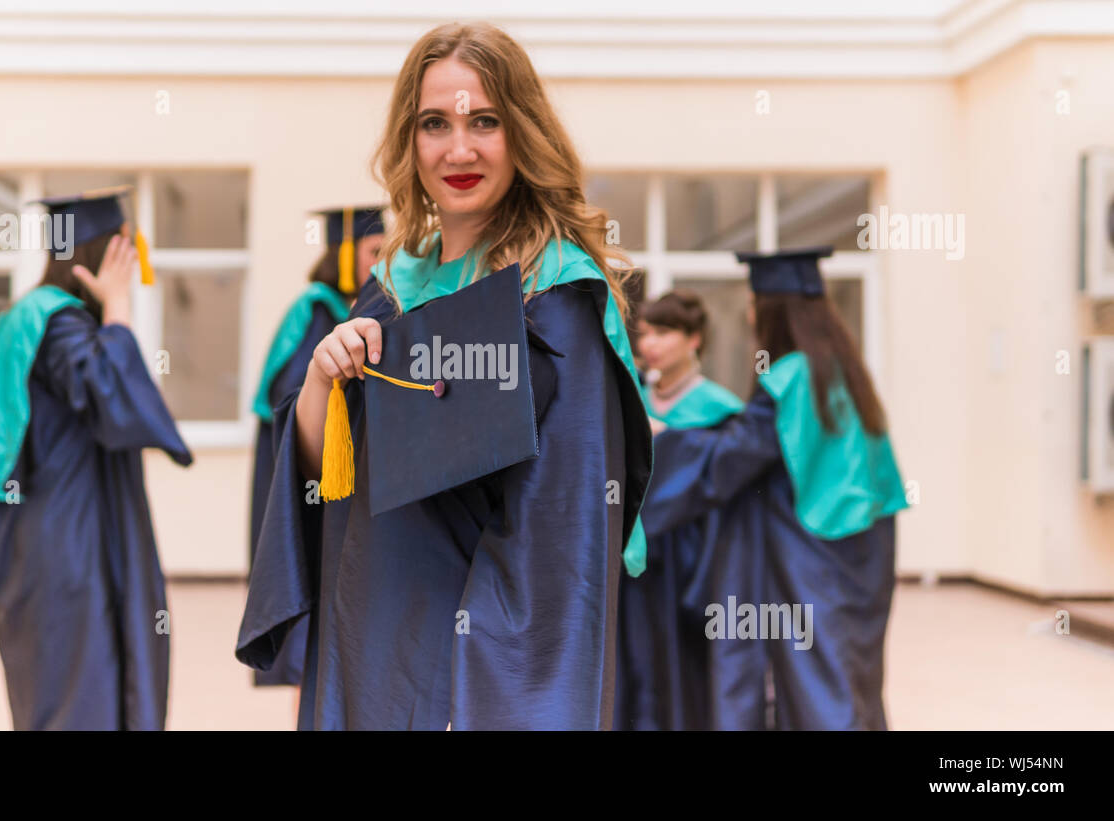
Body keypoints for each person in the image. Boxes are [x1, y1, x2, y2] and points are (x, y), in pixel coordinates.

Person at [236, 21, 652, 730]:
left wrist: (478, 693)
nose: (459, 149)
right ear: (409, 138)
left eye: (484, 120)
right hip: (367, 638)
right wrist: (320, 381)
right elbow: (320, 476)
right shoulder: (391, 286)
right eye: (435, 123)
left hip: (474, 676)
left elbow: (558, 534)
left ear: (521, 130)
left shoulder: (555, 298)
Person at [643, 246, 908, 730]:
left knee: (819, 675)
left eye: (753, 302)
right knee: (852, 672)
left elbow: (735, 457)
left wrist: (662, 444)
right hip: (865, 549)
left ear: (772, 310)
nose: (748, 314)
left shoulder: (787, 377)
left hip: (813, 551)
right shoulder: (843, 370)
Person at [0, 187, 192, 730]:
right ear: (104, 255)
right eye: (125, 252)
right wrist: (118, 307)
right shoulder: (60, 324)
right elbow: (117, 402)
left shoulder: (35, 316)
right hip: (73, 535)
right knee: (80, 683)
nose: (132, 265)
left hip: (58, 525)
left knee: (77, 674)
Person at [248, 205, 383, 689]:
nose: (384, 260)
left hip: (351, 487)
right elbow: (286, 401)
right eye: (375, 251)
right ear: (344, 254)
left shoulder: (369, 308)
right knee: (315, 644)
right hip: (314, 484)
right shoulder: (317, 311)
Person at [614, 289, 746, 730]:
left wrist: (668, 437)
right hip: (634, 554)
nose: (649, 344)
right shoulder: (630, 400)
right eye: (645, 333)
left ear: (694, 339)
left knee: (683, 662)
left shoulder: (721, 410)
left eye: (665, 332)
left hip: (692, 559)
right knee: (633, 659)